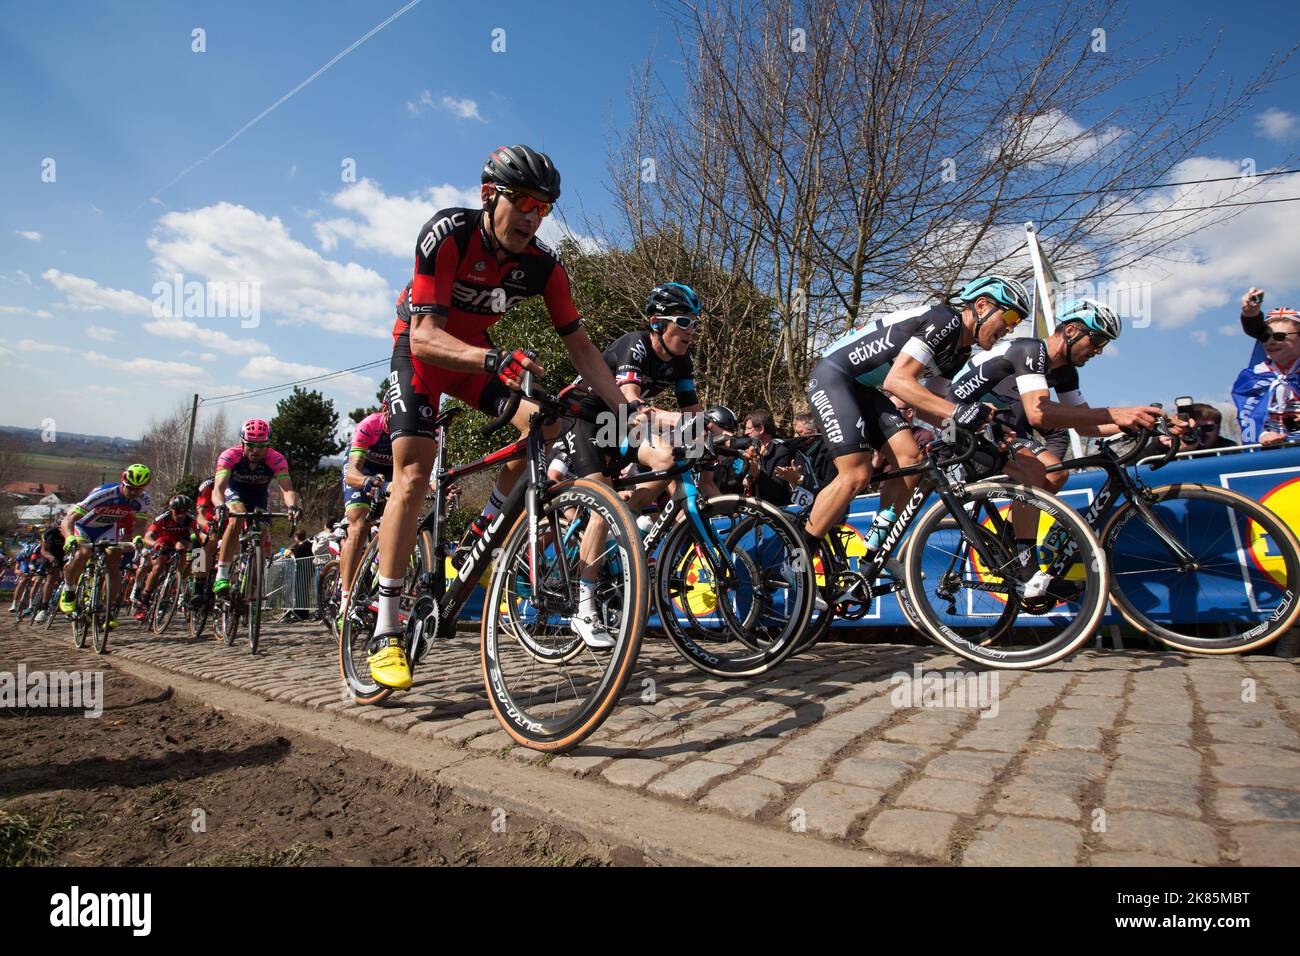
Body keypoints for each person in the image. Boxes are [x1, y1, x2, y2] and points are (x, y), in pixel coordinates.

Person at [370, 144, 633, 689]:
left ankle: (482, 531)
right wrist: (493, 357)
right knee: (414, 472)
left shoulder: (542, 267)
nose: (534, 217)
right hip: (423, 355)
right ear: (491, 195)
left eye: (545, 208)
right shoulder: (447, 234)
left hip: (474, 359)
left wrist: (626, 411)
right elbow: (424, 336)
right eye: (525, 202)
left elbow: (582, 348)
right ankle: (386, 625)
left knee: (547, 423)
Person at [939, 299, 1173, 589]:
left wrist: (1136, 421)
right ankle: (1026, 566)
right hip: (954, 425)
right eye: (1097, 339)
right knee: (1036, 473)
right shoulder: (1029, 350)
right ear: (1072, 331)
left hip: (994, 427)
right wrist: (1117, 413)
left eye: (1104, 344)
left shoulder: (1063, 371)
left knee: (1057, 472)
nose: (1099, 350)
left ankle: (1009, 540)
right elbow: (1039, 414)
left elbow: (1085, 424)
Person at [804, 275, 1031, 549]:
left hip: (863, 388)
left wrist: (975, 429)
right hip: (834, 378)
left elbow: (931, 408)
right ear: (981, 306)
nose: (1009, 327)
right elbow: (898, 382)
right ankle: (798, 560)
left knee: (911, 459)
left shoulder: (960, 352)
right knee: (856, 473)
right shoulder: (945, 320)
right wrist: (960, 412)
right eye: (1009, 316)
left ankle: (874, 551)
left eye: (1017, 322)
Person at [559, 281, 715, 646]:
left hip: (620, 425)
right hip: (586, 418)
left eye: (695, 321)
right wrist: (685, 424)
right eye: (683, 320)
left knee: (666, 456)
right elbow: (630, 403)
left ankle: (625, 515)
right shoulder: (637, 344)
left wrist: (712, 441)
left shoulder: (682, 361)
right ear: (657, 322)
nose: (691, 329)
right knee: (602, 503)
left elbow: (693, 414)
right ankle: (584, 609)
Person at [211, 419, 300, 596]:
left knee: (264, 530)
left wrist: (292, 507)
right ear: (242, 442)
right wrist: (220, 506)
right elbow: (218, 488)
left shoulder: (276, 459)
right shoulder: (229, 456)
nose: (255, 451)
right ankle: (221, 574)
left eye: (261, 446)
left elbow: (287, 488)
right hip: (235, 492)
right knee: (238, 516)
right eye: (250, 445)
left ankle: (250, 572)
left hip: (259, 496)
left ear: (268, 445)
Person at [56, 464, 153, 627]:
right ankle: (69, 590)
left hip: (107, 528)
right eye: (131, 488)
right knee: (84, 552)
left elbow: (139, 525)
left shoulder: (143, 499)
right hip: (83, 526)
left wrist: (137, 537)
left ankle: (108, 609)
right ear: (123, 482)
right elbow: (69, 519)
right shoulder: (104, 494)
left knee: (114, 559)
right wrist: (69, 538)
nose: (134, 493)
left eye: (139, 489)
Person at [1234, 288, 1300, 446]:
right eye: (1264, 337)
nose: (1270, 341)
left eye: (1279, 336)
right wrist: (1262, 434)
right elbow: (1246, 413)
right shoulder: (1253, 376)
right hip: (1271, 452)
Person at [135, 495, 199, 621]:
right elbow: (147, 537)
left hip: (180, 541)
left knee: (182, 547)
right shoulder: (163, 518)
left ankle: (177, 579)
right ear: (171, 509)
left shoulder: (190, 520)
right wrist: (155, 544)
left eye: (184, 511)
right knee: (158, 567)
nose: (181, 515)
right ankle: (145, 599)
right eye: (178, 511)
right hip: (163, 541)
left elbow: (198, 537)